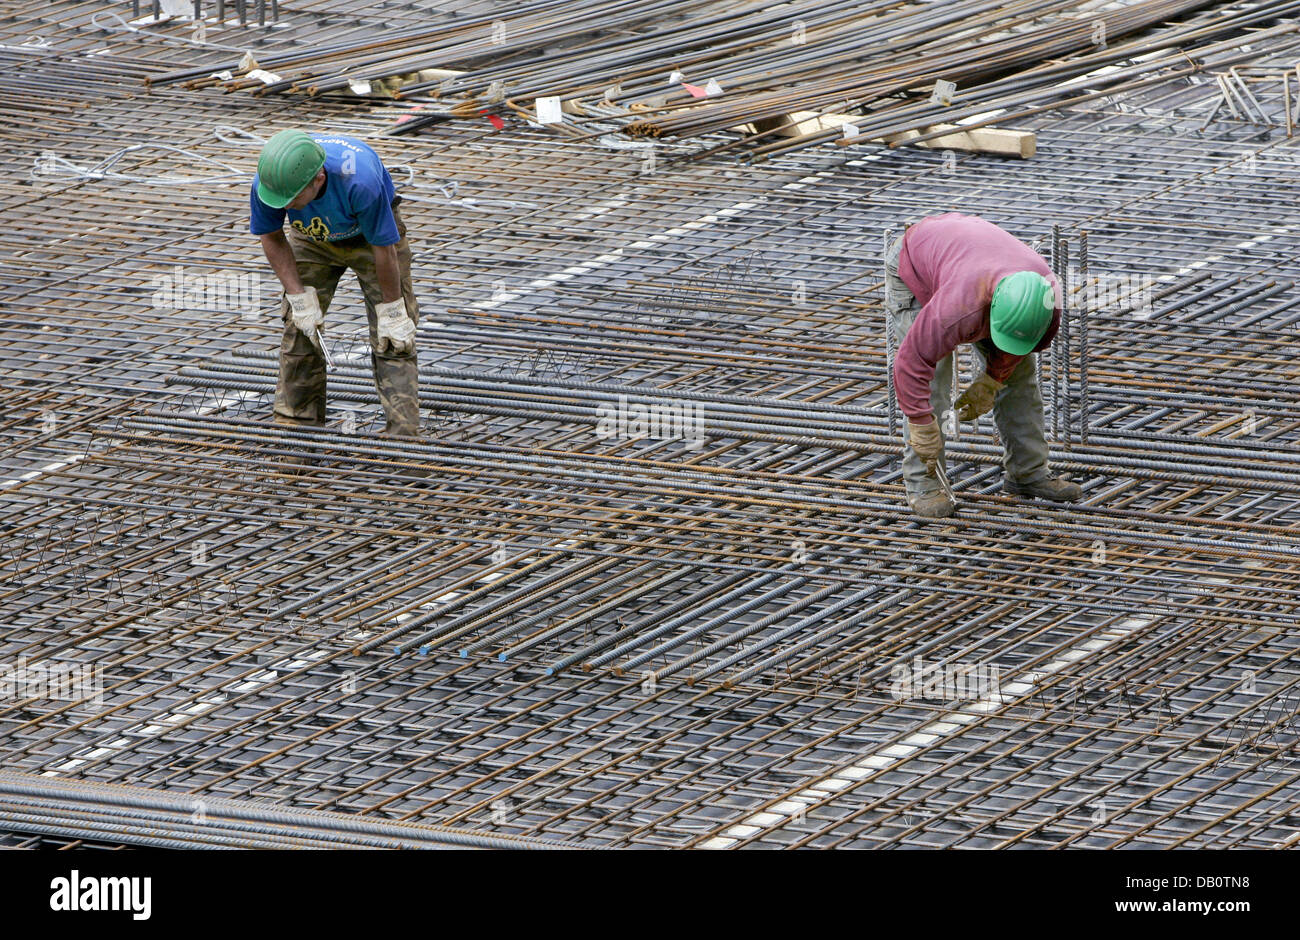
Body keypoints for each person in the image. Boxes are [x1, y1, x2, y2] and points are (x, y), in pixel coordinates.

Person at [884, 212, 1083, 518]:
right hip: (917, 264)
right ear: (991, 312)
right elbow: (912, 363)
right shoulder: (959, 308)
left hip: (972, 259)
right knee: (935, 380)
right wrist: (921, 423)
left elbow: (1022, 345)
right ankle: (923, 483)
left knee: (1021, 378)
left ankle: (1027, 473)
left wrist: (994, 378)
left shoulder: (1046, 301)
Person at [250, 129, 420, 438]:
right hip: (312, 236)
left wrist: (393, 310)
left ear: (318, 179)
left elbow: (384, 249)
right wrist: (298, 297)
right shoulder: (272, 184)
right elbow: (271, 236)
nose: (283, 207)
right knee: (300, 329)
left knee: (394, 337)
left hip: (370, 239)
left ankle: (403, 439)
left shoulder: (361, 181)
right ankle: (297, 430)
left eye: (291, 200)